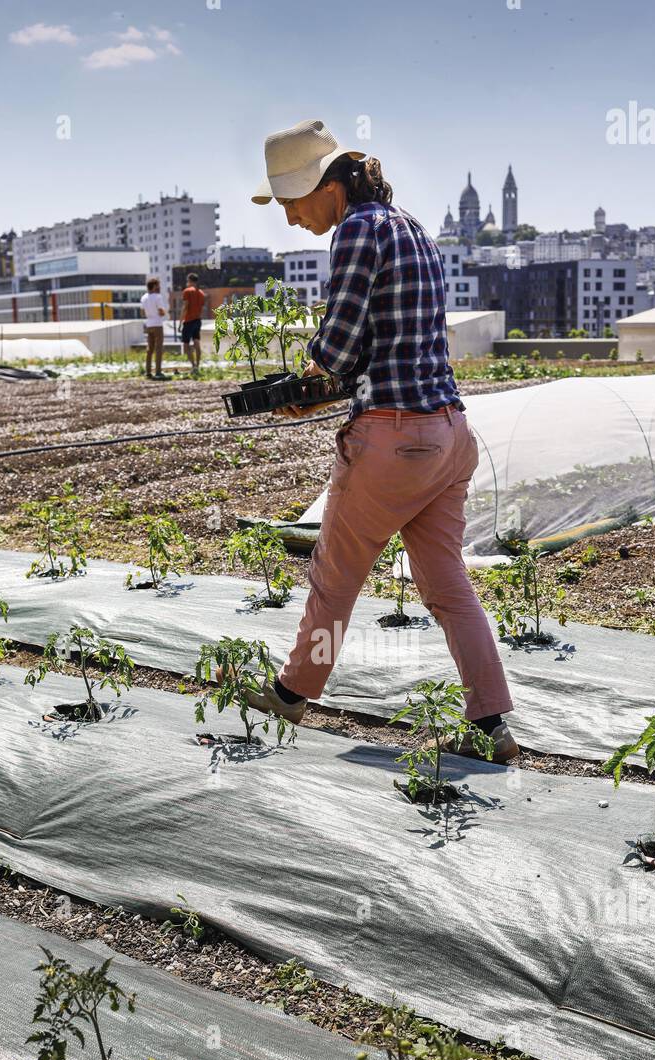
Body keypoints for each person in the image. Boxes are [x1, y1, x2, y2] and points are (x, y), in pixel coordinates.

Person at [245, 118, 518, 762]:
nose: (288, 219)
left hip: (394, 443)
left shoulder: (357, 231)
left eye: (290, 203)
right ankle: (492, 724)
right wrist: (330, 382)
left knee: (334, 577)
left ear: (325, 189)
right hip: (449, 432)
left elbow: (340, 344)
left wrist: (304, 379)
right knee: (448, 585)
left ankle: (292, 692)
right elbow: (391, 346)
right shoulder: (413, 229)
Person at [140, 277, 168, 380]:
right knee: (158, 348)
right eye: (158, 285)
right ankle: (158, 372)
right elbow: (161, 311)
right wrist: (164, 312)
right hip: (157, 324)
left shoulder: (144, 298)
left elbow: (142, 313)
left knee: (149, 349)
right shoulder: (158, 297)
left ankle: (148, 372)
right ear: (154, 286)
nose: (159, 287)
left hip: (149, 324)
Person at [180, 272, 206, 377]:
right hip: (198, 320)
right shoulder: (201, 293)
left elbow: (185, 307)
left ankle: (193, 365)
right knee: (196, 342)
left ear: (189, 280)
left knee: (186, 345)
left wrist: (180, 320)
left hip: (188, 321)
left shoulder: (187, 291)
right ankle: (197, 366)